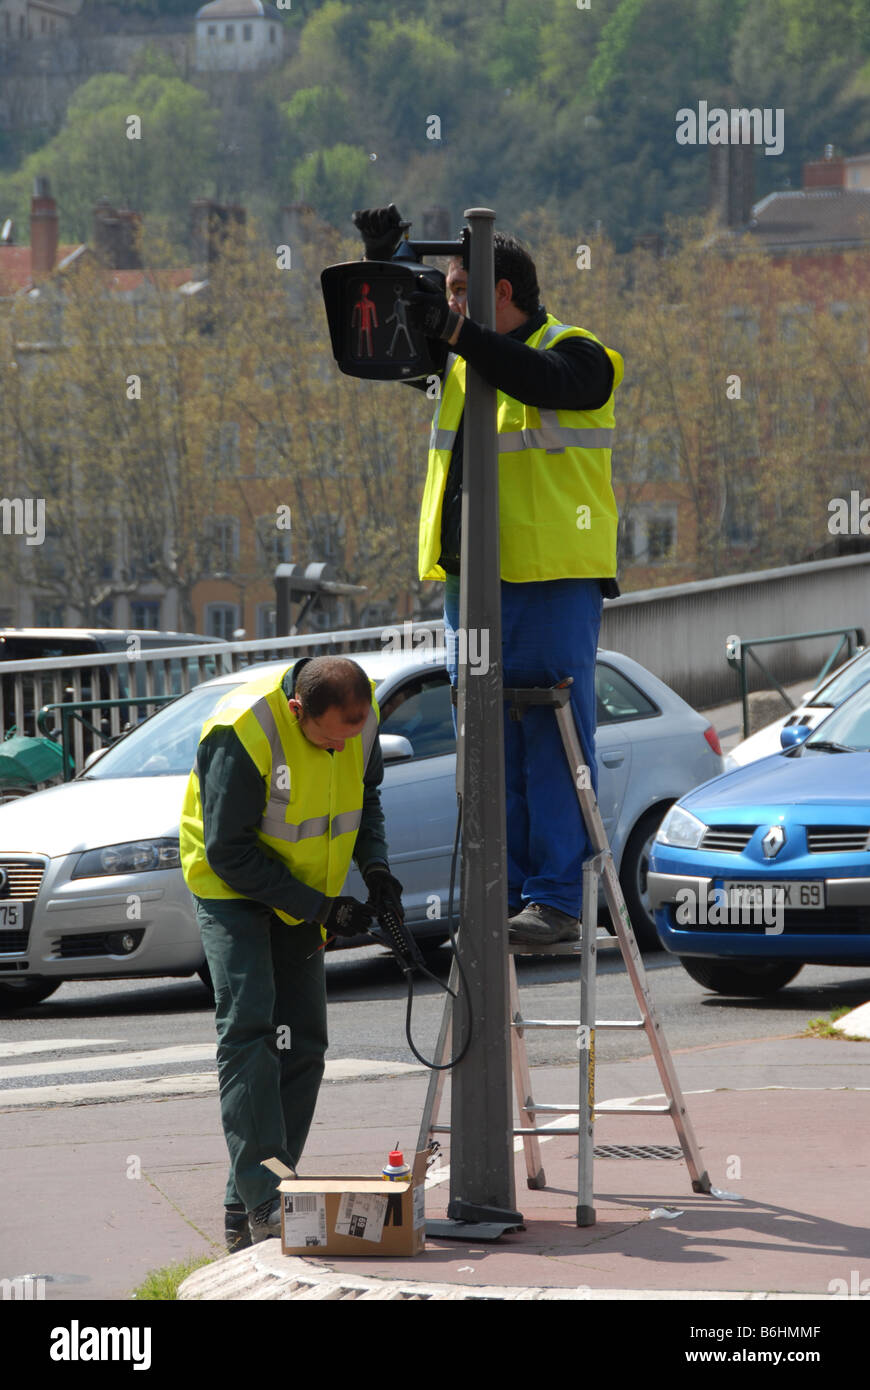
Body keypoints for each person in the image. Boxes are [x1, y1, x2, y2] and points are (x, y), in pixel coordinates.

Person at [353, 207, 623, 948]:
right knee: (484, 743)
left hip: (551, 583)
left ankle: (559, 900)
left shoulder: (581, 353)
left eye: (458, 294)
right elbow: (393, 343)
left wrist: (459, 332)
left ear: (500, 293)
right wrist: (386, 257)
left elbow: (539, 377)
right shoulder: (460, 356)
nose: (447, 311)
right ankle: (498, 894)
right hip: (470, 586)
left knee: (552, 739)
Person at [179, 654, 403, 1250]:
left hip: (303, 895)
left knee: (304, 1042)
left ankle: (249, 1199)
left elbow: (367, 796)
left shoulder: (362, 714)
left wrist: (376, 869)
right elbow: (229, 853)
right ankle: (267, 1202)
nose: (342, 747)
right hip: (232, 892)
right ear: (299, 710)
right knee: (251, 1031)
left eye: (351, 734)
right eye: (331, 737)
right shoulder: (243, 732)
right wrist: (322, 908)